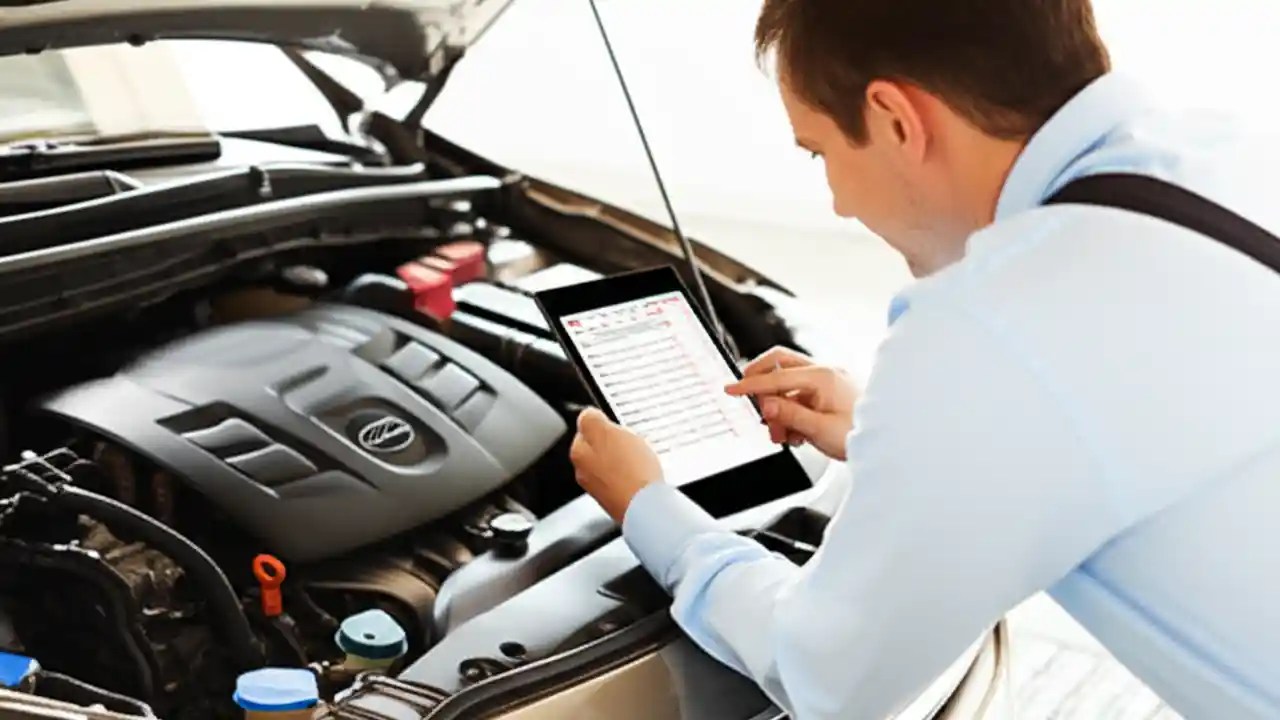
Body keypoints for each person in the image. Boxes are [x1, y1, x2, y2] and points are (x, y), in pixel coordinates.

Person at [568, 0, 1280, 718]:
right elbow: (1129, 417)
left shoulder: (989, 328)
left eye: (820, 153)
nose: (840, 202)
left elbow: (827, 673)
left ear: (895, 120)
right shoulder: (1236, 156)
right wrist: (891, 430)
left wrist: (649, 510)